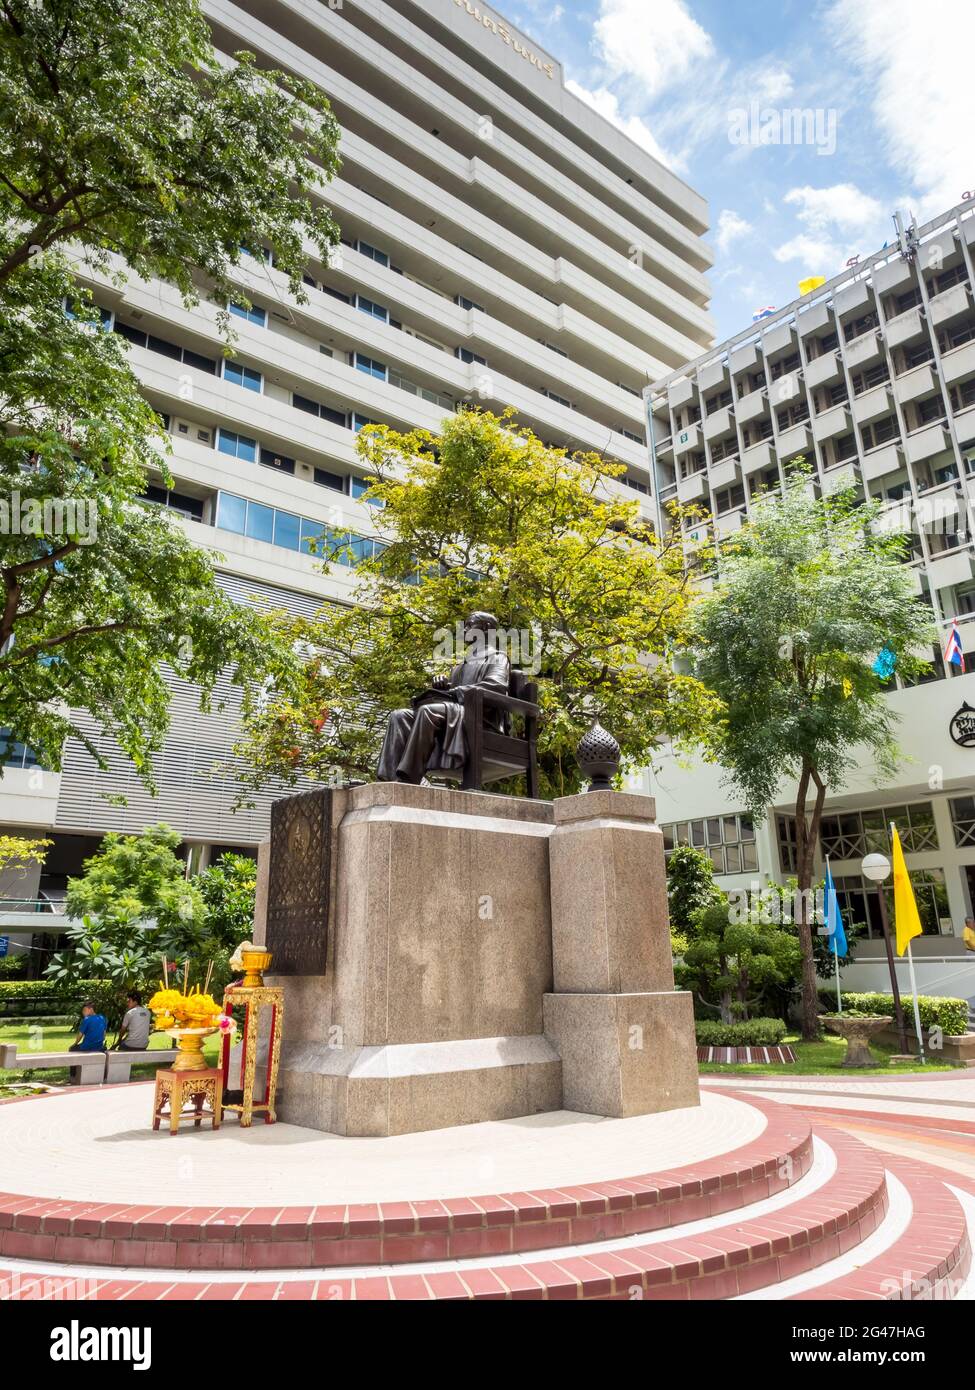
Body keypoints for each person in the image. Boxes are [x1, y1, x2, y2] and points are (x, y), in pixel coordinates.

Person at [376, 611, 510, 784]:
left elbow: (496, 686)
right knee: (399, 715)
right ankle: (390, 778)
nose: (465, 629)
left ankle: (408, 779)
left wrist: (456, 691)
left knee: (427, 712)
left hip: (480, 718)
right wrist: (443, 686)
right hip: (455, 713)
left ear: (485, 629)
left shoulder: (498, 657)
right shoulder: (460, 667)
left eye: (469, 625)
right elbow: (451, 694)